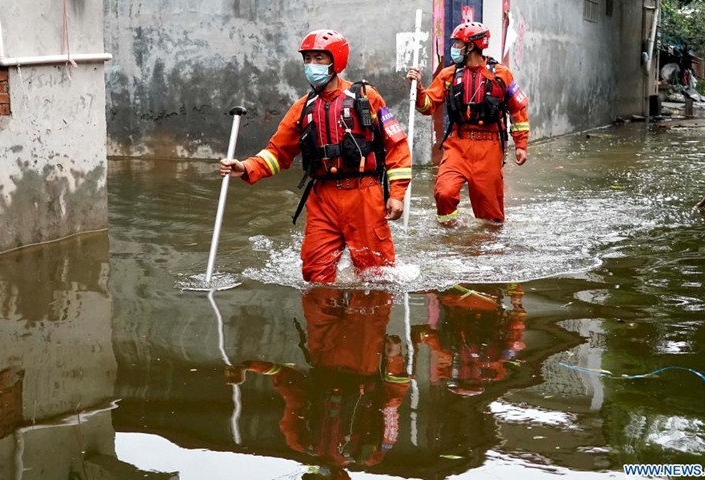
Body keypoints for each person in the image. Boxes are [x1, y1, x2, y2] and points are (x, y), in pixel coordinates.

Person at [220, 30, 412, 283]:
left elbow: (396, 144)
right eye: (307, 59)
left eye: (319, 58)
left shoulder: (366, 98)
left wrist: (396, 194)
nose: (312, 65)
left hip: (364, 196)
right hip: (323, 199)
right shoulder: (302, 108)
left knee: (377, 276)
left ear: (336, 61)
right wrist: (245, 167)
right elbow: (278, 153)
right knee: (314, 274)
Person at [225, 288, 411, 475]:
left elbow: (290, 386)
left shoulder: (300, 442)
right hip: (361, 359)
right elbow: (391, 403)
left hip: (322, 353)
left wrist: (249, 366)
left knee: (318, 289)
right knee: (371, 290)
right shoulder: (369, 454)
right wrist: (394, 360)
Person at [406, 22, 530, 226]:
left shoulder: (501, 75)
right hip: (458, 144)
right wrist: (418, 88)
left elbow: (518, 110)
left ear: (471, 46)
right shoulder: (448, 75)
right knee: (444, 192)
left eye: (458, 43)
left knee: (491, 215)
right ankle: (450, 233)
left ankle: (486, 244)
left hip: (489, 147)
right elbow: (427, 106)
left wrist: (521, 145)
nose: (454, 48)